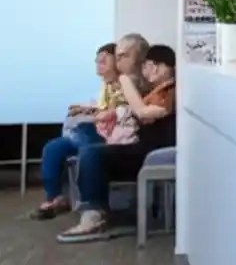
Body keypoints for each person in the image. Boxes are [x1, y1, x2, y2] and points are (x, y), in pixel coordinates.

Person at [59, 44, 177, 243]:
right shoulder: (155, 90)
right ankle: (93, 209)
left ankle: (94, 214)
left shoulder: (169, 90)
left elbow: (142, 112)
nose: (144, 70)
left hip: (149, 153)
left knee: (92, 154)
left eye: (147, 66)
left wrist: (123, 80)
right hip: (140, 148)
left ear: (157, 66)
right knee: (89, 149)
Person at [29, 34, 150, 220]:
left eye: (106, 60)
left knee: (84, 134)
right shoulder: (108, 86)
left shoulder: (131, 82)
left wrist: (99, 115)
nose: (100, 65)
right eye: (98, 61)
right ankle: (55, 197)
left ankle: (91, 208)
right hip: (99, 132)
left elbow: (129, 111)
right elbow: (105, 108)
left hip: (110, 137)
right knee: (53, 147)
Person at [61, 43, 124, 145]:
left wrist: (93, 113)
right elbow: (103, 106)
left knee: (83, 126)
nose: (98, 67)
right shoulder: (106, 84)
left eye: (103, 62)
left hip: (111, 133)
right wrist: (86, 109)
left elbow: (115, 111)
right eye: (97, 62)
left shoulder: (124, 84)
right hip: (103, 127)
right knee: (55, 146)